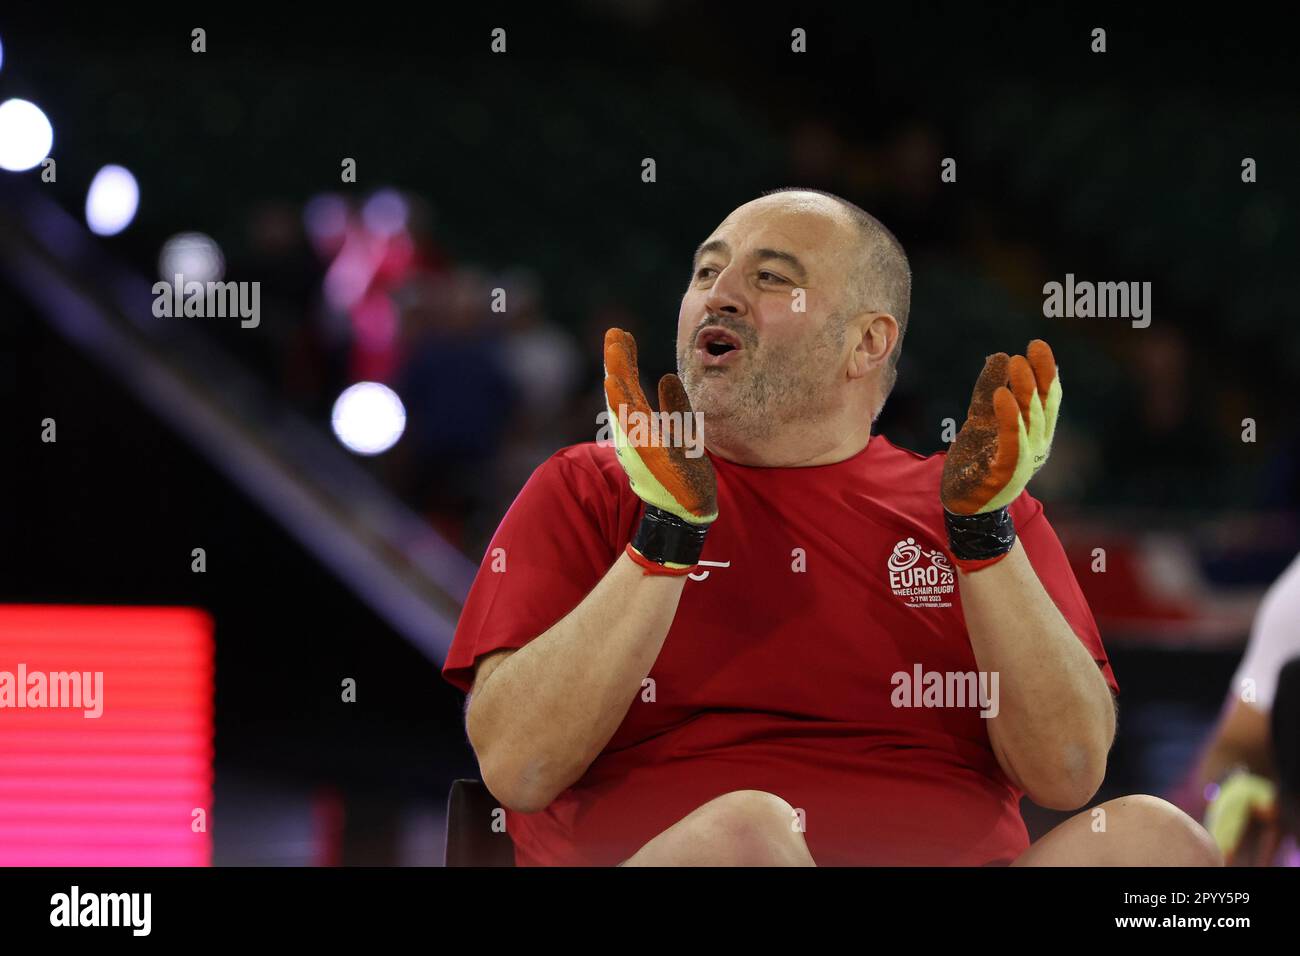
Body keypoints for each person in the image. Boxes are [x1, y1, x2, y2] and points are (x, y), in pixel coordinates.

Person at [441, 188, 1221, 866]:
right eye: (706, 271)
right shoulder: (589, 487)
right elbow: (518, 767)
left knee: (1157, 841)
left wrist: (982, 536)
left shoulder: (980, 505)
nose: (720, 294)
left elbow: (1070, 770)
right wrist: (665, 538)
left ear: (867, 342)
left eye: (770, 276)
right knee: (747, 837)